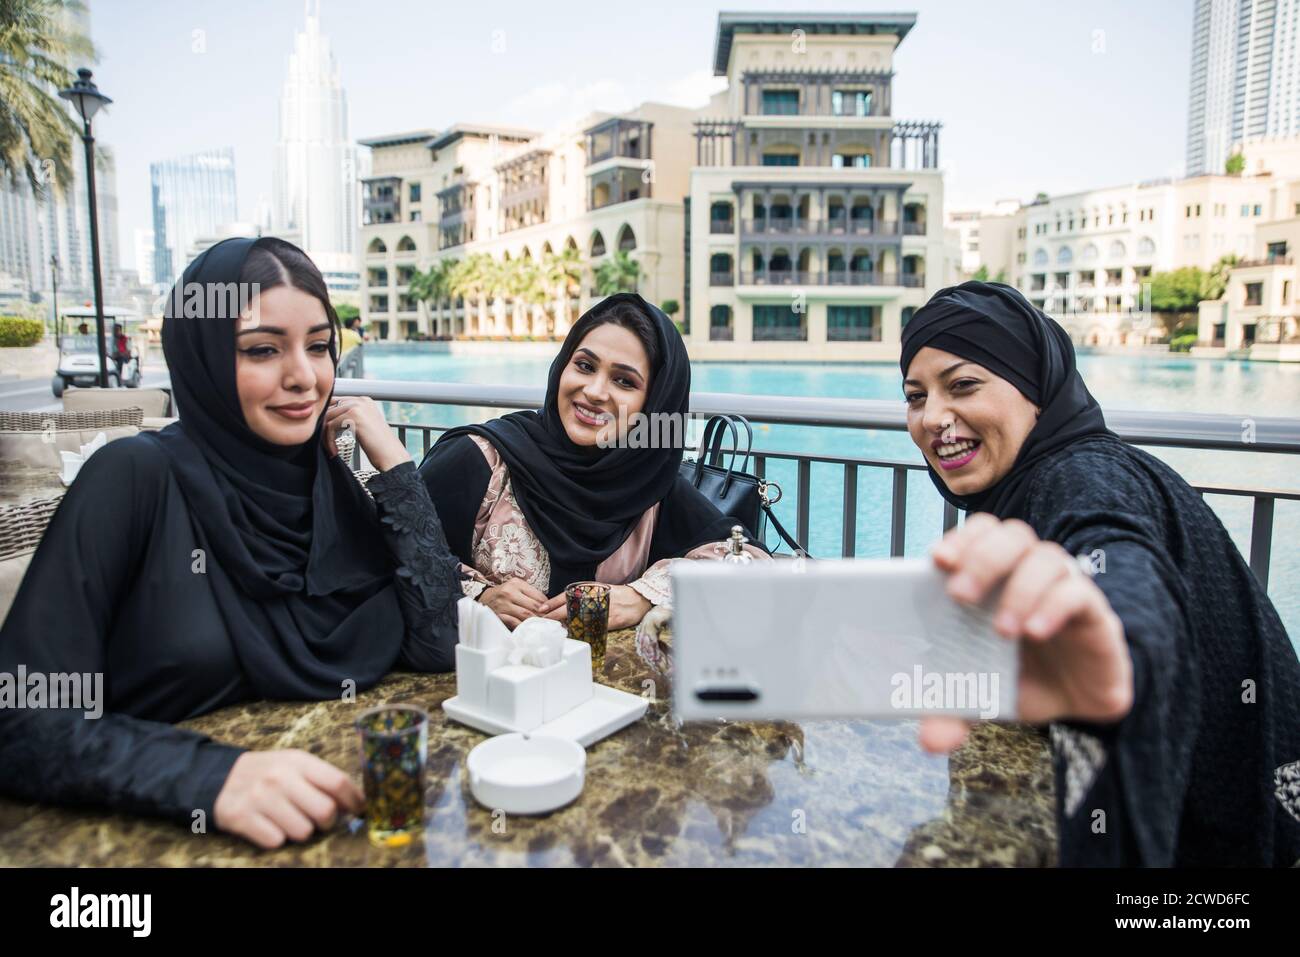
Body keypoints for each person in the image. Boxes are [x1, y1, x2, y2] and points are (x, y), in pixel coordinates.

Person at [0, 237, 463, 850]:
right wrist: (212, 777)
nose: (304, 377)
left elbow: (437, 641)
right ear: (205, 358)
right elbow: (22, 717)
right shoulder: (133, 478)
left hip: (338, 829)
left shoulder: (332, 489)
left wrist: (396, 465)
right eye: (263, 350)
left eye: (320, 347)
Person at [898, 280, 1300, 867]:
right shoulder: (1046, 481)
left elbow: (1115, 555)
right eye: (915, 397)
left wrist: (1115, 633)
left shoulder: (1081, 477)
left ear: (1036, 388)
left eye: (963, 385)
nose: (933, 418)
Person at [418, 292, 766, 631]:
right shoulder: (483, 459)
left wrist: (641, 596)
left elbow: (749, 565)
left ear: (654, 403)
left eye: (624, 381)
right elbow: (391, 554)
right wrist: (479, 598)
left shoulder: (648, 487)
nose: (596, 392)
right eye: (585, 366)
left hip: (597, 689)